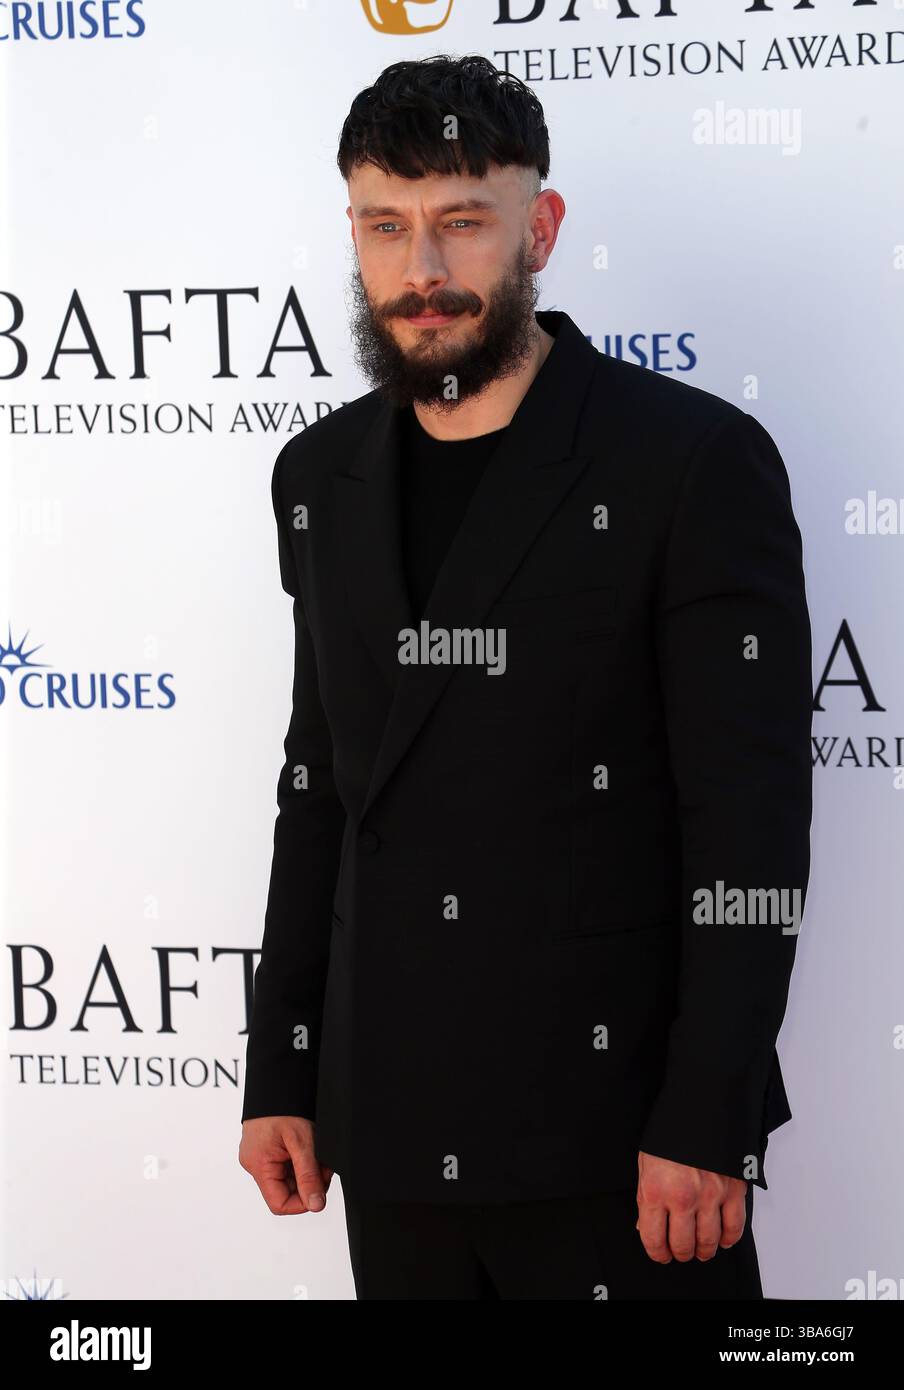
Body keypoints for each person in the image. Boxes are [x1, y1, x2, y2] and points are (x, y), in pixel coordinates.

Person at [238, 54, 812, 1300]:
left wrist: (707, 1114)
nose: (420, 270)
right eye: (384, 227)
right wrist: (281, 1072)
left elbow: (748, 826)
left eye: (460, 222)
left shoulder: (690, 459)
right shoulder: (317, 475)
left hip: (616, 1135)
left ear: (537, 227)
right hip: (386, 1121)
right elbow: (321, 790)